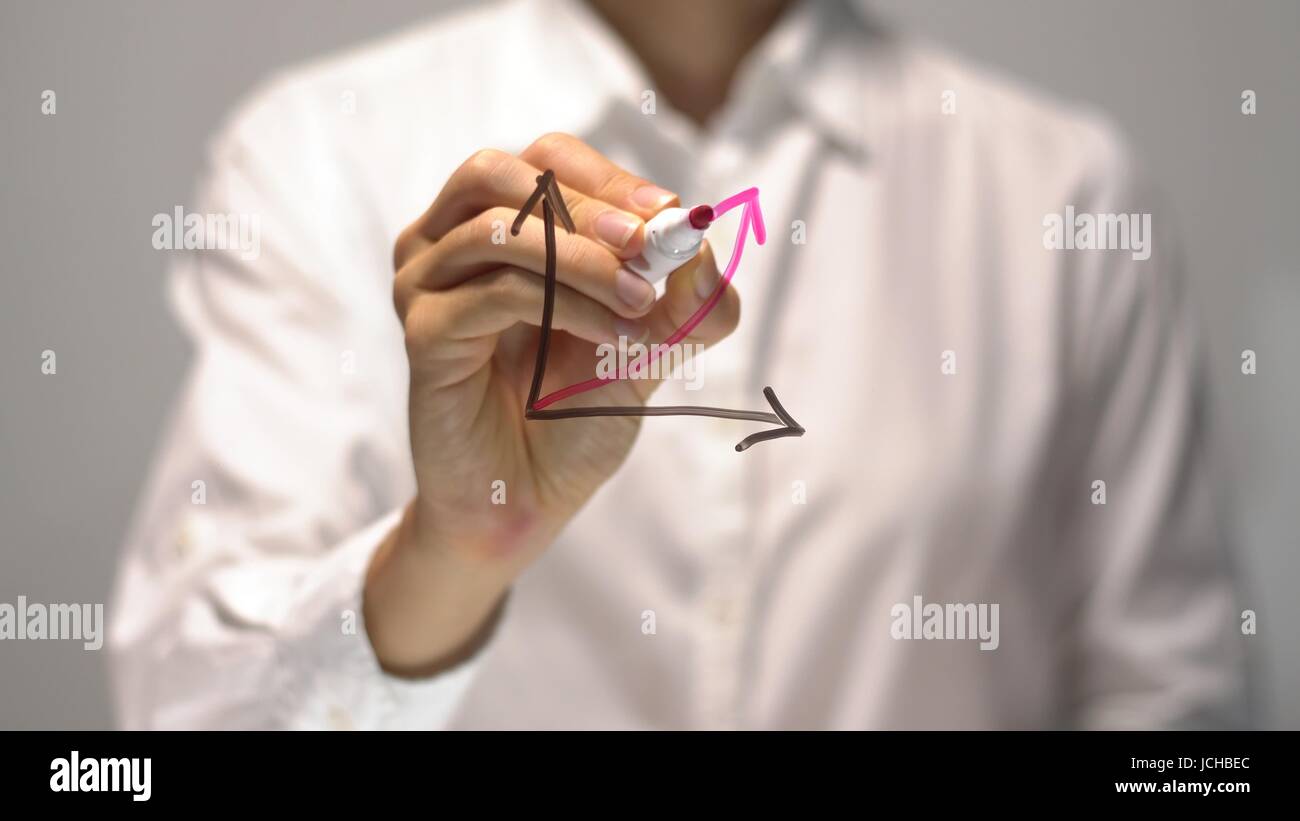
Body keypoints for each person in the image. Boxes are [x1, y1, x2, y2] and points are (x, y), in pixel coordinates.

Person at [108, 0, 1248, 729]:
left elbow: (1175, 709)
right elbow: (187, 718)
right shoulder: (322, 149)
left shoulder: (1063, 191)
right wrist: (461, 543)